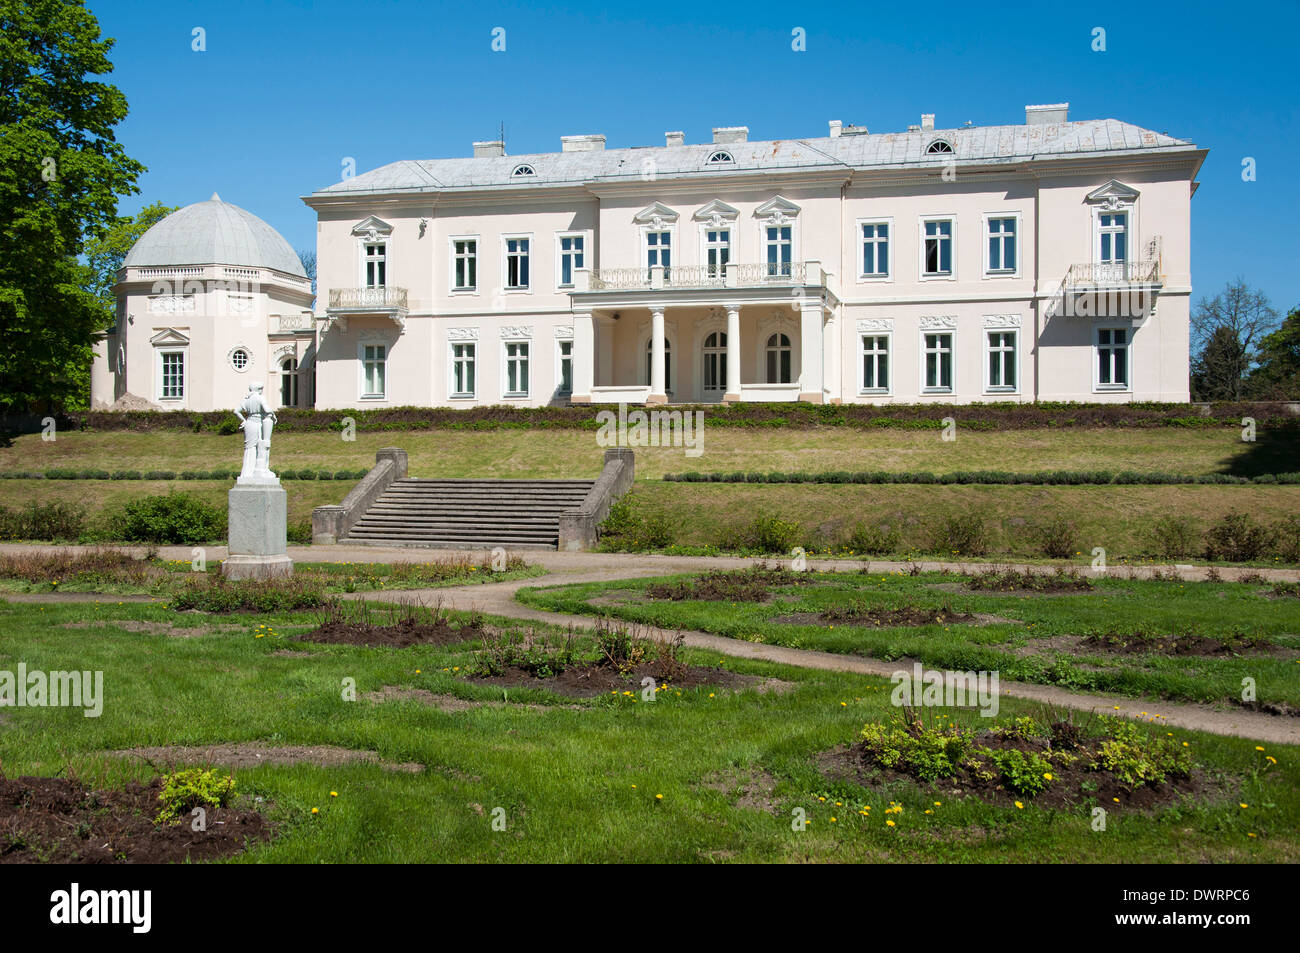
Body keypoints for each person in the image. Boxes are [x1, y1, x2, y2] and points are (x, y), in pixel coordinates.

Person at [233, 383, 277, 482]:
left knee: (249, 448)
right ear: (259, 389)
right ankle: (260, 470)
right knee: (262, 446)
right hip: (259, 423)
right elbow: (267, 409)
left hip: (249, 423)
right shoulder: (260, 398)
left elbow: (236, 411)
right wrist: (273, 414)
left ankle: (247, 473)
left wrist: (244, 420)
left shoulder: (247, 399)